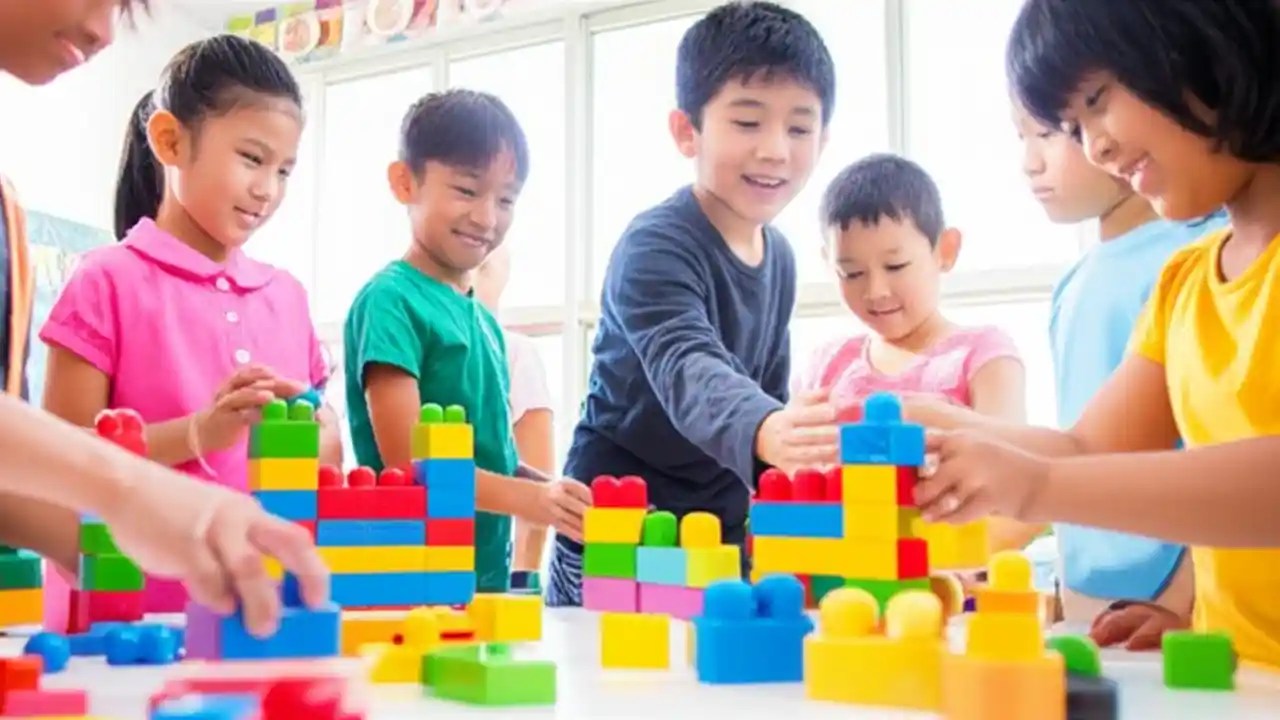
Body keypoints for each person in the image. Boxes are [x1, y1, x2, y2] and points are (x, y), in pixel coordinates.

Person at [916, 0, 1280, 669]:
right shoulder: (1185, 283)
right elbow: (1087, 447)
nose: (1096, 146)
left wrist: (1033, 486)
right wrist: (936, 422)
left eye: (1096, 100)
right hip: (1247, 677)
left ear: (1207, 39)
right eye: (1071, 126)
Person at [0, 0, 328, 637]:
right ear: (171, 142)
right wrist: (199, 432)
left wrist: (310, 424)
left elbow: (326, 452)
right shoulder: (106, 279)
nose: (268, 189)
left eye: (284, 170)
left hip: (259, 614)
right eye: (252, 159)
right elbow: (59, 464)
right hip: (122, 623)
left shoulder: (286, 295)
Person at [545, 0, 837, 606]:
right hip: (619, 518)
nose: (776, 150)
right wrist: (764, 426)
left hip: (720, 526)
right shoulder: (655, 244)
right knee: (611, 684)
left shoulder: (778, 254)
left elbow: (766, 384)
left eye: (800, 127)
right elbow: (686, 362)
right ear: (688, 131)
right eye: (748, 122)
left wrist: (785, 471)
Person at [343, 88, 590, 595]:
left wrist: (550, 491)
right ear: (404, 182)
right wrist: (533, 502)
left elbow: (486, 456)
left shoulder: (481, 319)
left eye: (506, 199)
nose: (487, 217)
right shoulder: (390, 301)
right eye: (466, 190)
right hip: (409, 581)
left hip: (482, 583)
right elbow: (413, 466)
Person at [798, 153, 1026, 550]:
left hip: (953, 580)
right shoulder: (827, 366)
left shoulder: (983, 354)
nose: (876, 291)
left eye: (896, 265)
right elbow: (801, 475)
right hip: (844, 575)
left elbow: (1016, 478)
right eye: (851, 273)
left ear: (945, 250)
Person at [475, 245, 557, 590]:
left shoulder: (515, 353)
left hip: (493, 576)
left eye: (485, 270)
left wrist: (522, 581)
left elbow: (539, 489)